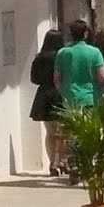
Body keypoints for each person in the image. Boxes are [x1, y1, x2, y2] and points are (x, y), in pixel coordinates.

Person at [29, 28, 66, 175]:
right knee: (63, 131)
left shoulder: (39, 58)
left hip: (44, 95)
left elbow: (34, 79)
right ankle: (63, 160)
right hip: (60, 94)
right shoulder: (61, 57)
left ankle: (52, 163)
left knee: (50, 132)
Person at [53, 21, 104, 118]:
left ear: (71, 34)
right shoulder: (95, 52)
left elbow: (56, 78)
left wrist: (63, 92)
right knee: (87, 132)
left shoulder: (62, 53)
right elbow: (102, 77)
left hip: (69, 100)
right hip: (89, 99)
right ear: (85, 34)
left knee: (70, 131)